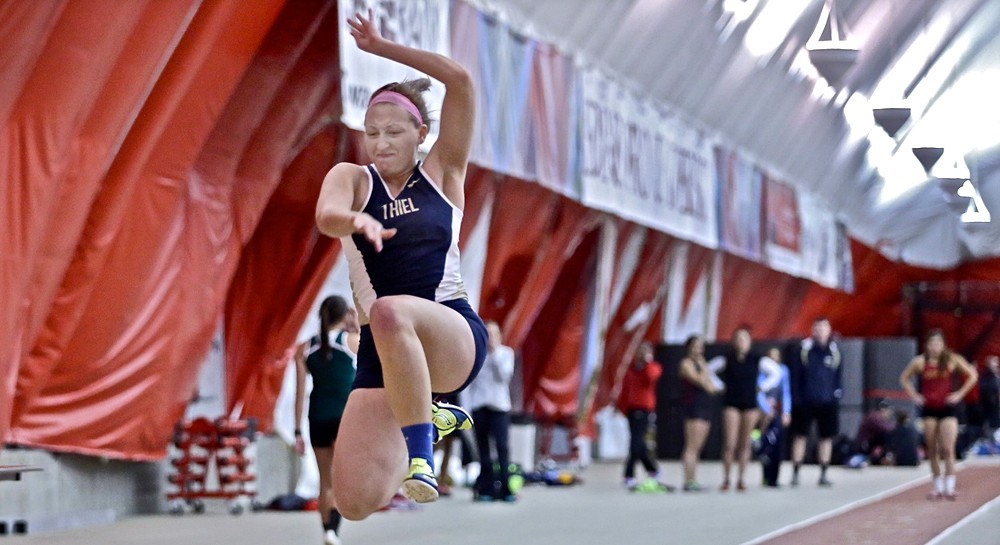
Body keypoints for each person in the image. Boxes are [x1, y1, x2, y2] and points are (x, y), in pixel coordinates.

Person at [317, 10, 487, 519]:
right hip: (381, 348)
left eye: (394, 132)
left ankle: (423, 454)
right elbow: (326, 216)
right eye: (372, 133)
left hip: (449, 332)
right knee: (354, 503)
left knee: (392, 309)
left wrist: (379, 47)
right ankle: (422, 414)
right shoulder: (351, 177)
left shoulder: (443, 173)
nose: (382, 143)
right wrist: (354, 220)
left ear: (420, 134)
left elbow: (459, 79)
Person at [293, 296, 360, 545]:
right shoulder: (352, 342)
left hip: (317, 416)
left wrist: (297, 430)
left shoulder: (304, 349)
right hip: (344, 417)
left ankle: (327, 532)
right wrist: (356, 325)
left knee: (325, 480)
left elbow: (300, 394)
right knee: (341, 477)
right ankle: (334, 530)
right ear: (344, 316)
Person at [899, 329, 978, 500]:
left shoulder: (951, 360)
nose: (935, 347)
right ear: (927, 345)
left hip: (948, 408)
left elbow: (972, 375)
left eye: (938, 343)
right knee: (932, 449)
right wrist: (914, 396)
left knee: (948, 449)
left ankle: (950, 486)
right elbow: (904, 378)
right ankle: (937, 486)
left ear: (943, 345)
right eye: (932, 343)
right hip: (929, 409)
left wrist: (959, 394)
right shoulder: (920, 362)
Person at [708, 327, 780, 491]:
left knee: (744, 443)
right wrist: (720, 386)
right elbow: (708, 369)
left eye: (744, 339)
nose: (741, 342)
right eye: (738, 338)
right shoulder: (727, 359)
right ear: (734, 341)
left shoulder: (757, 360)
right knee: (729, 443)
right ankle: (726, 479)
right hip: (731, 402)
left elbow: (775, 372)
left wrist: (763, 387)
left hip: (749, 404)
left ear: (749, 342)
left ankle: (741, 478)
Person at [463, 320, 516, 502]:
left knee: (502, 448)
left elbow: (504, 376)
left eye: (494, 334)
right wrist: (466, 409)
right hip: (480, 406)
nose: (491, 338)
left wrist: (493, 355)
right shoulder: (478, 354)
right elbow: (469, 384)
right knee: (483, 450)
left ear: (499, 336)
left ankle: (506, 487)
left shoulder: (506, 354)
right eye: (488, 334)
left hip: (499, 406)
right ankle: (486, 487)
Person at [790, 317, 842, 487]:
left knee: (825, 438)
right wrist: (797, 399)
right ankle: (796, 472)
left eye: (823, 328)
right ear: (812, 330)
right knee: (800, 436)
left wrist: (836, 395)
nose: (820, 331)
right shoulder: (804, 350)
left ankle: (824, 473)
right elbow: (796, 376)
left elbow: (838, 377)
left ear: (829, 330)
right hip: (805, 402)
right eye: (817, 328)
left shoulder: (834, 351)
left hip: (827, 403)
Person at [617, 342, 670, 491]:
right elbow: (625, 390)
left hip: (644, 409)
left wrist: (647, 362)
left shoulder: (653, 367)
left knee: (636, 443)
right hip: (631, 410)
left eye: (645, 351)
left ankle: (629, 474)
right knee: (637, 443)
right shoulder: (632, 370)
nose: (641, 354)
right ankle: (652, 468)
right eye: (640, 351)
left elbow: (650, 377)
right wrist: (621, 408)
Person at [678, 335, 720, 491]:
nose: (698, 349)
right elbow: (699, 380)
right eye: (695, 346)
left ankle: (693, 479)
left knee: (698, 447)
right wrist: (703, 368)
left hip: (704, 406)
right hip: (693, 407)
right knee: (691, 446)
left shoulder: (701, 364)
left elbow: (710, 387)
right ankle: (688, 480)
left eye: (700, 346)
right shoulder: (686, 364)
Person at [757, 347, 791, 487]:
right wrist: (765, 408)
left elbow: (785, 392)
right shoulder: (762, 372)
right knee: (765, 445)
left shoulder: (783, 371)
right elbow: (758, 391)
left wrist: (786, 412)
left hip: (777, 412)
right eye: (771, 356)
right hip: (763, 413)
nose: (773, 359)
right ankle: (765, 476)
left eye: (776, 356)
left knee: (777, 445)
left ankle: (774, 478)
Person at [855, 399, 895, 465]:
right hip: (864, 445)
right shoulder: (875, 417)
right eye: (889, 411)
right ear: (884, 410)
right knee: (888, 437)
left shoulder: (876, 416)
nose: (890, 413)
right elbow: (886, 429)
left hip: (868, 443)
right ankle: (883, 458)